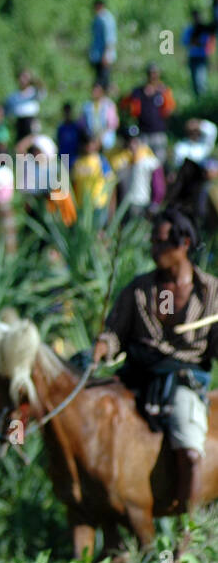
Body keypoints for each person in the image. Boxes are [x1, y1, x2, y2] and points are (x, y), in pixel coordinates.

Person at [93, 210, 217, 518]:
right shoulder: (139, 289)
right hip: (137, 375)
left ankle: (186, 529)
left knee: (189, 450)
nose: (154, 250)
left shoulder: (211, 292)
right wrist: (102, 348)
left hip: (182, 378)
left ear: (185, 243)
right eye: (152, 242)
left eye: (161, 243)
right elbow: (114, 333)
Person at [126, 64, 176, 164]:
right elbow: (128, 106)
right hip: (143, 131)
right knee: (143, 160)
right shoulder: (138, 91)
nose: (153, 76)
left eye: (155, 73)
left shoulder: (164, 91)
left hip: (158, 131)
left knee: (159, 162)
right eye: (151, 73)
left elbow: (170, 109)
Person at [182, 8, 215, 98]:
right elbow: (185, 42)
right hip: (193, 57)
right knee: (194, 81)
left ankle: (203, 99)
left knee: (201, 80)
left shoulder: (204, 29)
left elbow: (208, 43)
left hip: (201, 57)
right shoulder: (189, 29)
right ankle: (198, 100)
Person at [5, 69, 45, 141]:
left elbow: (42, 91)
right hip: (19, 123)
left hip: (31, 121)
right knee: (20, 145)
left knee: (30, 145)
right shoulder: (15, 95)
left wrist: (35, 80)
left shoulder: (34, 91)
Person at [80, 82, 119, 152]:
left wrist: (101, 136)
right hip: (91, 138)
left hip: (106, 138)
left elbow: (112, 123)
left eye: (97, 90)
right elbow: (82, 124)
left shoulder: (108, 105)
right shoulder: (87, 106)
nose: (95, 93)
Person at [88, 0, 117, 88]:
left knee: (103, 82)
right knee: (100, 79)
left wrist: (106, 55)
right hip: (98, 55)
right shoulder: (99, 18)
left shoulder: (105, 19)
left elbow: (109, 39)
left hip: (103, 56)